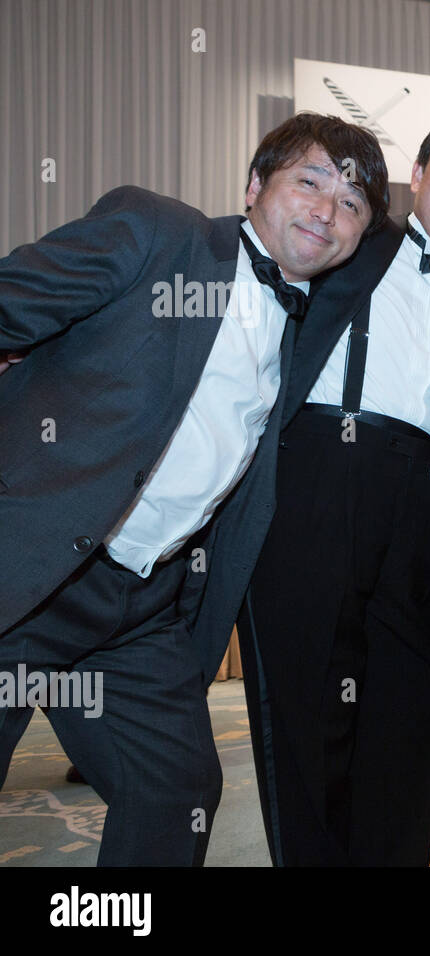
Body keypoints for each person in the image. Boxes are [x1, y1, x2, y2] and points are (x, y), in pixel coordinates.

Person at [0, 112, 387, 865]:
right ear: (252, 186)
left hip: (138, 610)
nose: (327, 210)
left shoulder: (300, 335)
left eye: (351, 204)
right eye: (309, 181)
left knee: (176, 796)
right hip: (30, 569)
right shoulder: (159, 234)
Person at [238, 110, 430, 865]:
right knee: (303, 719)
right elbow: (247, 250)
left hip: (424, 508)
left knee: (408, 717)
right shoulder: (351, 236)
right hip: (316, 478)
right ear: (419, 174)